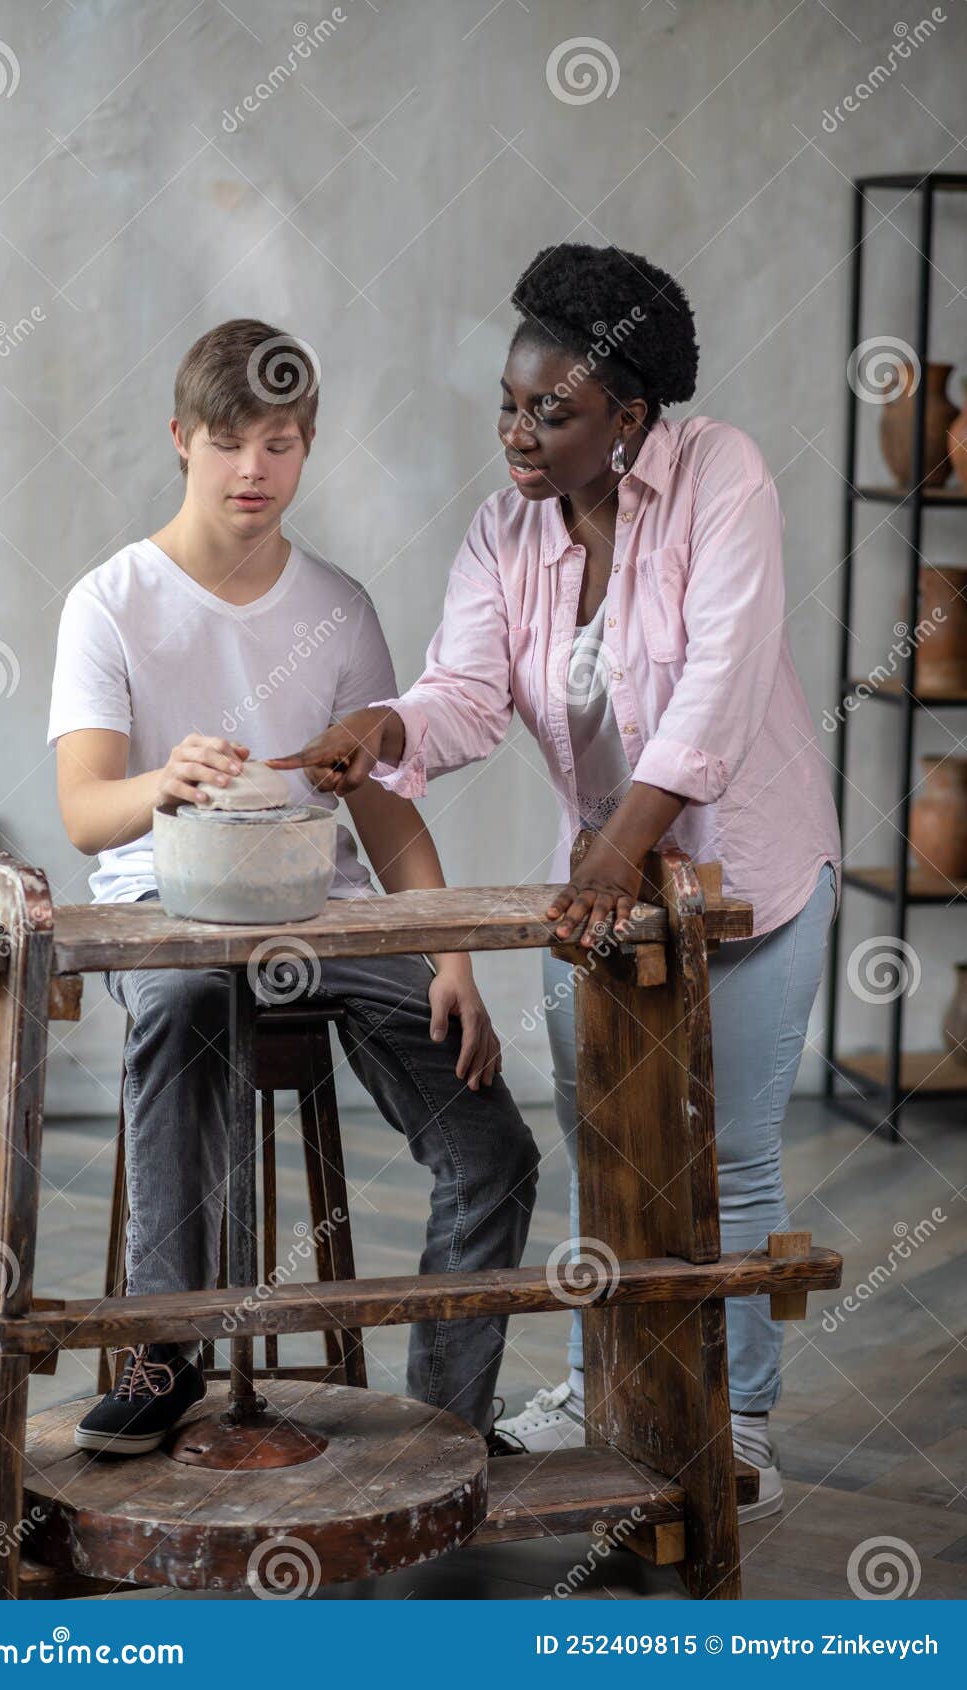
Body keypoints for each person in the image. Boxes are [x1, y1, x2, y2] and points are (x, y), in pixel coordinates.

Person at [268, 245, 843, 1521]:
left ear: (626, 420)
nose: (517, 435)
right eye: (508, 405)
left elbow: (720, 685)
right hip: (604, 890)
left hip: (743, 873)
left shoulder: (720, 478)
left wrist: (615, 846)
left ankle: (736, 1422)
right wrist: (387, 725)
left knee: (726, 1157)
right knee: (607, 1154)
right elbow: (467, 689)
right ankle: (612, 1394)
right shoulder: (503, 527)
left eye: (551, 412)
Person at [47, 317, 538, 1456]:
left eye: (279, 443)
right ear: (181, 439)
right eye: (228, 442)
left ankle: (445, 1419)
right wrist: (160, 781)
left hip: (320, 906)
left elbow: (384, 812)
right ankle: (166, 1353)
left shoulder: (338, 605)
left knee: (495, 1150)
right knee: (183, 1000)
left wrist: (451, 955)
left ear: (307, 446)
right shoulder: (110, 599)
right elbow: (83, 809)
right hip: (162, 905)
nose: (252, 470)